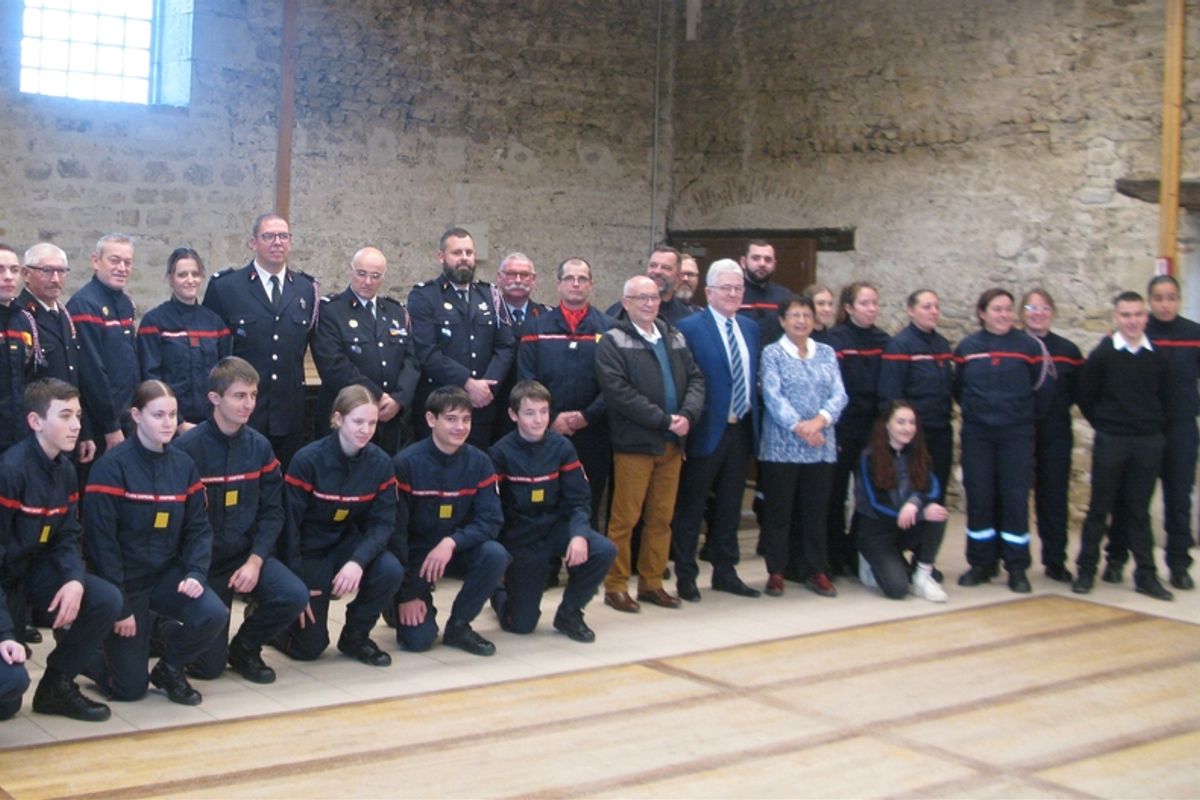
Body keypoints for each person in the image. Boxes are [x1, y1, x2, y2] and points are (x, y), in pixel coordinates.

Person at [83, 381, 228, 705]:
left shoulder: (183, 465)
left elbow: (198, 529)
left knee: (213, 613)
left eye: (173, 415)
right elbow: (101, 544)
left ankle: (170, 667)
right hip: (125, 581)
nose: (168, 423)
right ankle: (85, 647)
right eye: (158, 415)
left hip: (165, 574)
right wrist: (120, 607)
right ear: (136, 416)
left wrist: (195, 572)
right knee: (129, 690)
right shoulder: (111, 467)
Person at [174, 358, 309, 684]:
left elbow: (273, 512)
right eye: (239, 396)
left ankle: (245, 648)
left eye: (253, 395)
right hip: (202, 565)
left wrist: (255, 560)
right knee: (208, 670)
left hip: (244, 556)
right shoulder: (186, 450)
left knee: (294, 594)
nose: (248, 404)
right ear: (214, 398)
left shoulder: (260, 447)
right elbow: (179, 523)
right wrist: (192, 569)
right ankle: (169, 631)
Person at [0, 379, 121, 721]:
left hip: (31, 574)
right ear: (35, 421)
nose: (76, 425)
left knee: (105, 599)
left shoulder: (65, 469)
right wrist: (4, 632)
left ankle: (57, 686)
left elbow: (67, 535)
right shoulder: (10, 471)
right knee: (9, 695)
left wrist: (74, 580)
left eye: (78, 416)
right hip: (4, 582)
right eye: (65, 416)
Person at [272, 386, 403, 666]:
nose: (365, 430)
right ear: (338, 419)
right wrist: (295, 582)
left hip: (345, 545)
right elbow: (289, 525)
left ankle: (356, 636)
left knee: (389, 569)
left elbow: (383, 523)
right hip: (309, 552)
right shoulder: (308, 460)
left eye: (372, 423)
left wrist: (358, 561)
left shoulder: (381, 463)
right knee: (309, 649)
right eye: (358, 421)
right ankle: (275, 618)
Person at [596, 275, 705, 612]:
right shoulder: (613, 340)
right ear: (625, 303)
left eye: (653, 297)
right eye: (640, 297)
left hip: (672, 445)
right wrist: (664, 420)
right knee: (624, 520)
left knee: (661, 518)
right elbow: (619, 393)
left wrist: (687, 415)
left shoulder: (674, 335)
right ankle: (616, 586)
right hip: (635, 445)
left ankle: (652, 583)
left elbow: (696, 378)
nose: (648, 303)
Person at [488, 381, 616, 641]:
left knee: (603, 550)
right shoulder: (500, 453)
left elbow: (579, 500)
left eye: (544, 412)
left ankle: (570, 612)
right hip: (522, 537)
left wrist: (578, 534)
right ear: (513, 415)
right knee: (521, 625)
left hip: (556, 527)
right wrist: (503, 553)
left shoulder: (562, 448)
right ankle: (499, 593)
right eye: (529, 413)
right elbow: (493, 509)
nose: (538, 420)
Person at [1072, 291, 1174, 601]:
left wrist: (1152, 428)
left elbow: (1167, 398)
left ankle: (1146, 575)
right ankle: (1086, 570)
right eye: (1126, 315)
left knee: (1138, 511)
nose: (1132, 321)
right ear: (1116, 318)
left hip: (1147, 442)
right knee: (1099, 507)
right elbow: (1086, 395)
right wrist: (1106, 424)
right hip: (1112, 440)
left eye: (1137, 314)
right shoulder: (1103, 355)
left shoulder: (1158, 356)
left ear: (1146, 317)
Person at [391, 386, 508, 655]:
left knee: (494, 554)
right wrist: (408, 593)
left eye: (466, 419)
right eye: (452, 419)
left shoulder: (480, 462)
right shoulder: (406, 464)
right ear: (431, 419)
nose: (460, 427)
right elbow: (395, 534)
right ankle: (395, 600)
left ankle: (459, 626)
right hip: (416, 558)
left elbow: (491, 520)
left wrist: (452, 542)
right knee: (418, 642)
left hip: (456, 550)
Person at [672, 260, 761, 601]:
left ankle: (726, 571)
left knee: (729, 506)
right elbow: (684, 381)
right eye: (726, 288)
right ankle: (686, 575)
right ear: (709, 292)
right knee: (691, 507)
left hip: (740, 430)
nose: (733, 294)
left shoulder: (750, 328)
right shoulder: (690, 327)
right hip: (705, 429)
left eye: (738, 288)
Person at [202, 213, 319, 471]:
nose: (277, 242)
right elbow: (211, 353)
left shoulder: (306, 289)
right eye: (269, 236)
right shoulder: (226, 287)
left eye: (283, 236)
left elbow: (303, 345)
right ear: (253, 243)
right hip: (240, 413)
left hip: (289, 413)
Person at [954, 288, 1050, 593]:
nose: (1004, 315)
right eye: (997, 309)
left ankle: (1017, 567)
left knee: (1015, 500)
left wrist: (1019, 416)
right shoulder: (967, 348)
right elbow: (958, 389)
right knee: (979, 498)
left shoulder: (1029, 347)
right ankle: (981, 563)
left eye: (1008, 309)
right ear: (982, 313)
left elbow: (1041, 389)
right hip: (978, 435)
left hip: (1015, 436)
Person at [1106, 275, 1198, 591]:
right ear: (1149, 302)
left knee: (1179, 498)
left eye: (1171, 297)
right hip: (1142, 429)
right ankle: (1116, 559)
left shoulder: (1194, 334)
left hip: (1181, 427)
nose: (1165, 304)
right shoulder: (1136, 333)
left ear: (1179, 300)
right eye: (1158, 298)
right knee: (1128, 497)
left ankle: (1179, 565)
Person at [758, 294, 847, 597]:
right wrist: (800, 427)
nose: (801, 321)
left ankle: (815, 569)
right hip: (781, 447)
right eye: (795, 315)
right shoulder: (772, 353)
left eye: (806, 315)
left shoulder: (826, 352)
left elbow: (838, 394)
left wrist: (819, 422)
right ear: (782, 321)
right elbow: (773, 397)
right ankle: (776, 571)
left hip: (820, 445)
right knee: (779, 513)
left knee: (815, 512)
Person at [518, 257, 615, 531]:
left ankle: (583, 555)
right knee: (547, 501)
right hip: (546, 432)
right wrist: (552, 418)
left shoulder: (609, 329)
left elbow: (615, 383)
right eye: (569, 278)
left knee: (588, 499)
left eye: (582, 279)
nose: (576, 284)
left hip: (594, 432)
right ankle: (548, 558)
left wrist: (587, 416)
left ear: (591, 285)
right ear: (558, 284)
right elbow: (526, 378)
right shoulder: (536, 328)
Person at [407, 228, 516, 448]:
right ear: (441, 257)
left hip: (482, 407)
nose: (464, 258)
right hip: (440, 406)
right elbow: (426, 351)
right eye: (457, 252)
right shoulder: (424, 296)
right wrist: (467, 383)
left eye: (469, 252)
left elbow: (506, 345)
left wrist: (486, 388)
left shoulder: (491, 294)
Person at [312, 246, 419, 454]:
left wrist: (399, 399)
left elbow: (411, 360)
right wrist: (377, 397)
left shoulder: (396, 311)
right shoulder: (330, 310)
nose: (368, 281)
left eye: (375, 276)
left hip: (390, 418)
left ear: (383, 277)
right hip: (348, 416)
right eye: (361, 273)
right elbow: (333, 364)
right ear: (351, 270)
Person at [823, 282, 890, 578]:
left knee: (869, 494)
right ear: (849, 308)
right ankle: (835, 554)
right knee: (835, 494)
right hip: (843, 427)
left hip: (874, 428)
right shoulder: (835, 340)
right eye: (865, 303)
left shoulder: (884, 341)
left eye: (875, 303)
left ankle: (861, 550)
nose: (871, 309)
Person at [855, 401, 949, 602]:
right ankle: (873, 561)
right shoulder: (869, 456)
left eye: (911, 423)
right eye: (900, 422)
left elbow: (932, 487)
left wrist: (915, 504)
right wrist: (917, 513)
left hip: (906, 526)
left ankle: (922, 574)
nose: (907, 428)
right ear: (887, 425)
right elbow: (875, 504)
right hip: (878, 532)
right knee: (898, 589)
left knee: (937, 512)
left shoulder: (918, 452)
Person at [1020, 289, 1083, 583]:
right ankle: (1008, 560)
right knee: (1012, 499)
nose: (1038, 313)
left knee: (1054, 500)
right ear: (1022, 312)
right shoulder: (1012, 345)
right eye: (1032, 307)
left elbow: (1081, 392)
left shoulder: (1068, 351)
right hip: (1017, 434)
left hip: (1055, 434)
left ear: (1053, 312)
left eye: (1044, 307)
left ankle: (1055, 561)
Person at [137, 248, 233, 434]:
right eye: (182, 275)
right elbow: (150, 378)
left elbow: (226, 375)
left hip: (212, 424)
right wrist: (178, 422)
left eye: (195, 274)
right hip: (169, 426)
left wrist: (219, 418)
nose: (190, 280)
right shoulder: (154, 322)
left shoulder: (215, 323)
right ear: (170, 279)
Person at [878, 289, 954, 505]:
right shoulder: (900, 345)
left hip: (941, 429)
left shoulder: (942, 344)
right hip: (914, 432)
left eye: (936, 307)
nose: (933, 311)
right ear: (911, 311)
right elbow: (891, 394)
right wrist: (903, 429)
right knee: (914, 489)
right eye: (927, 307)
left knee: (938, 488)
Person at [18, 243, 92, 462]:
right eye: (47, 271)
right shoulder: (21, 316)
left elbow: (75, 377)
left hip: (66, 429)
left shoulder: (63, 314)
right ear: (26, 274)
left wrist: (84, 430)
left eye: (61, 271)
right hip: (37, 433)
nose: (55, 279)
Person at [67, 234, 139, 456]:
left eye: (127, 262)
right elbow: (92, 373)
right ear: (95, 261)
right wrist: (110, 426)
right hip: (101, 425)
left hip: (126, 417)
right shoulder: (84, 304)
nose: (122, 268)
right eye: (114, 260)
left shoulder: (125, 303)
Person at [490, 252, 549, 442]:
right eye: (511, 274)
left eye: (524, 275)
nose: (517, 280)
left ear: (533, 280)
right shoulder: (485, 314)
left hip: (534, 410)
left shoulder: (547, 316)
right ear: (499, 277)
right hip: (493, 408)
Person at [0, 244, 39, 453]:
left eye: (14, 270)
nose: (8, 277)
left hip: (19, 437)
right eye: (0, 270)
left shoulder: (24, 320)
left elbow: (29, 376)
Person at [606, 246, 697, 325]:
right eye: (653, 265)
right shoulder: (621, 310)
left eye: (666, 268)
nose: (657, 271)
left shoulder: (686, 318)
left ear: (678, 276)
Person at [738, 240, 791, 346]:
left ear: (774, 265)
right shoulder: (732, 294)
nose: (762, 264)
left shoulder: (786, 297)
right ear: (743, 262)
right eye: (756, 258)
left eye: (768, 260)